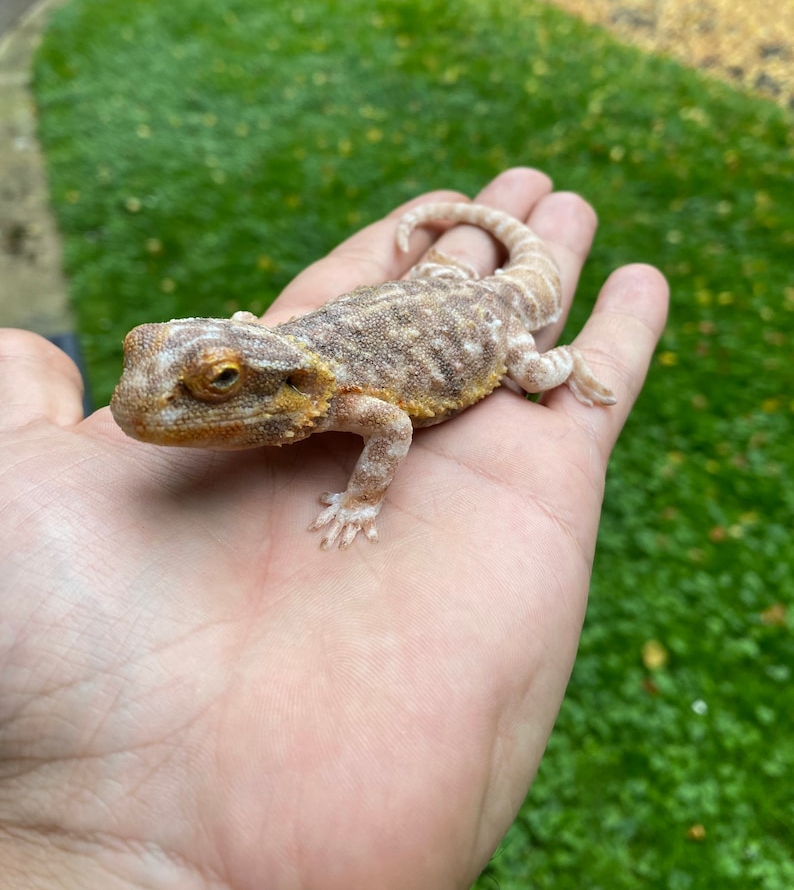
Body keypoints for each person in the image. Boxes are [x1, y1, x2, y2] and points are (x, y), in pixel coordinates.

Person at [0, 168, 668, 889]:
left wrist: (363, 499)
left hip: (493, 322)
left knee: (528, 367)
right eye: (145, 352)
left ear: (280, 384)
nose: (143, 403)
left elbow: (391, 421)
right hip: (417, 299)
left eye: (217, 380)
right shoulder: (288, 369)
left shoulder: (335, 395)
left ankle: (559, 363)